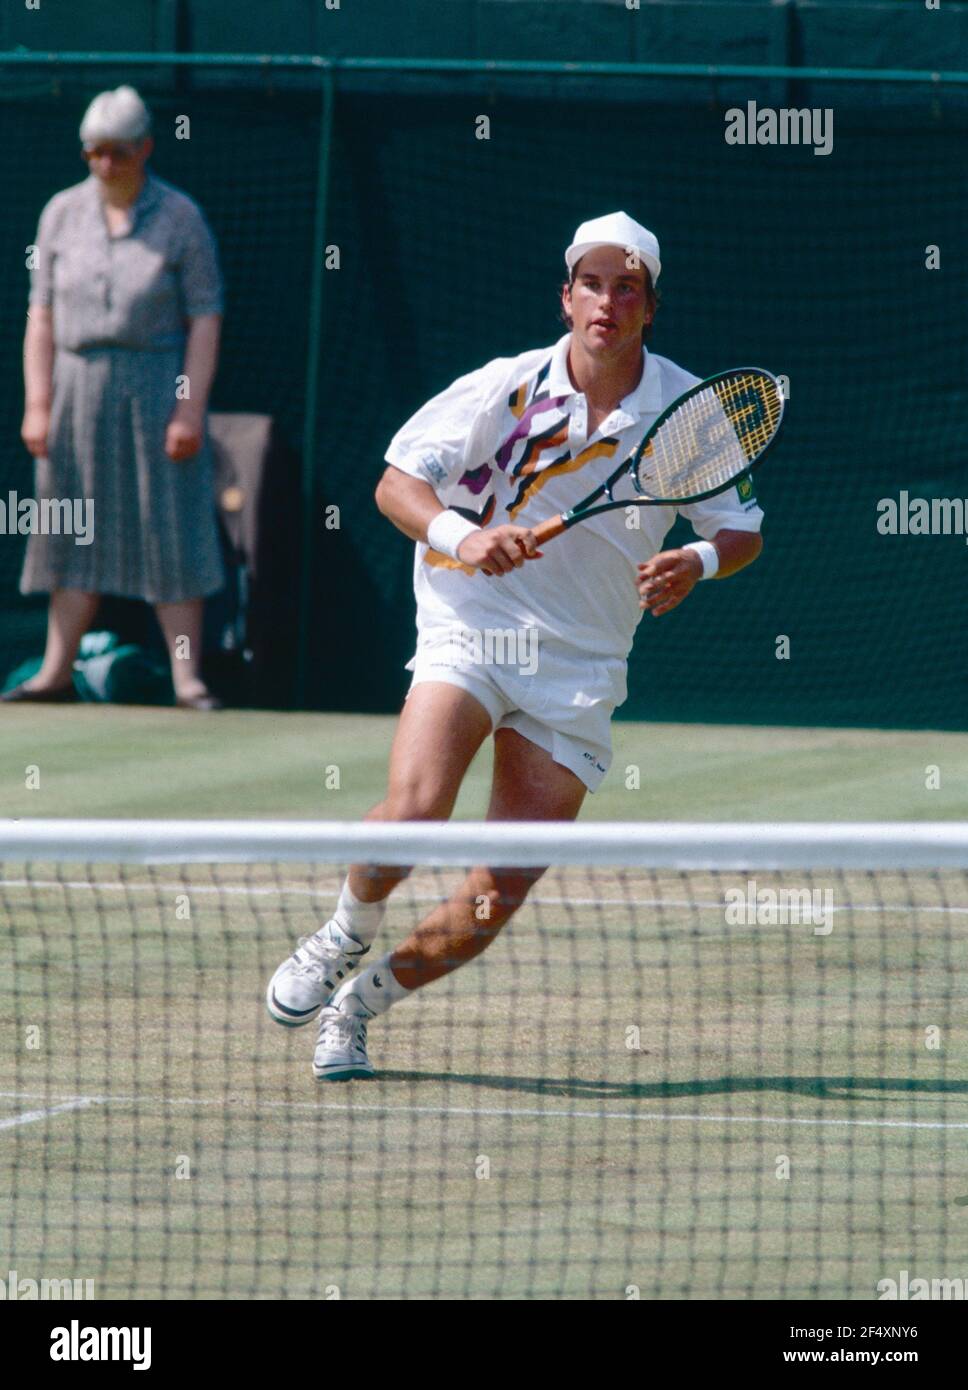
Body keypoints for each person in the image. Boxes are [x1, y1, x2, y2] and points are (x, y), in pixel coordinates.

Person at [266, 211, 765, 1079]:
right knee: (417, 807)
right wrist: (465, 537)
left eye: (627, 286)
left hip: (581, 663)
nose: (607, 300)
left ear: (649, 308)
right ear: (566, 297)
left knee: (498, 895)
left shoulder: (690, 415)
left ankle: (360, 1004)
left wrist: (695, 558)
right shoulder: (506, 387)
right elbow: (396, 485)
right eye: (592, 283)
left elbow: (743, 530)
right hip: (475, 622)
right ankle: (344, 932)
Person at [5, 85, 225, 710]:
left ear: (146, 149)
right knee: (67, 530)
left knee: (171, 529)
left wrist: (189, 407)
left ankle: (188, 682)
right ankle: (54, 673)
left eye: (119, 153)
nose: (106, 165)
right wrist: (38, 402)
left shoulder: (181, 217)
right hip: (75, 386)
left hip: (156, 385)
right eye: (94, 153)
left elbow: (206, 318)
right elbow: (40, 314)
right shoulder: (59, 214)